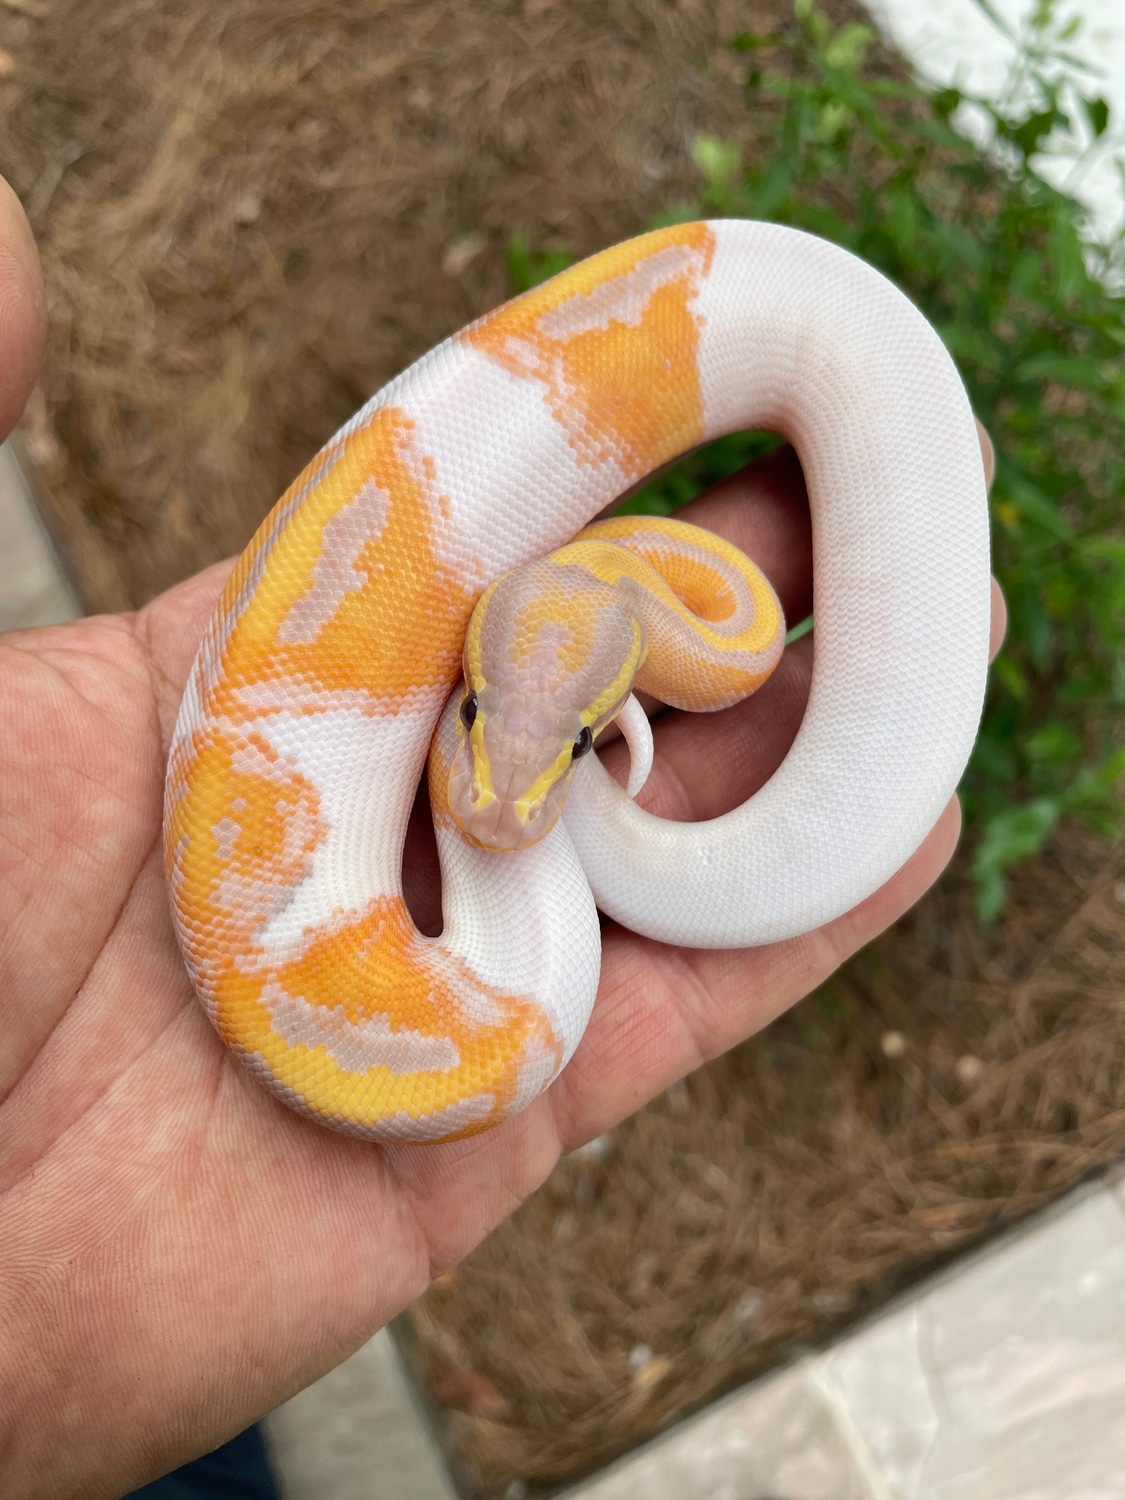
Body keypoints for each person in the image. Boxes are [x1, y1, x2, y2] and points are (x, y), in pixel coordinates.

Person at [0, 175, 1005, 1499]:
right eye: (471, 710)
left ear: (615, 693)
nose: (485, 798)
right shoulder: (565, 687)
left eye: (563, 741)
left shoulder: (589, 637)